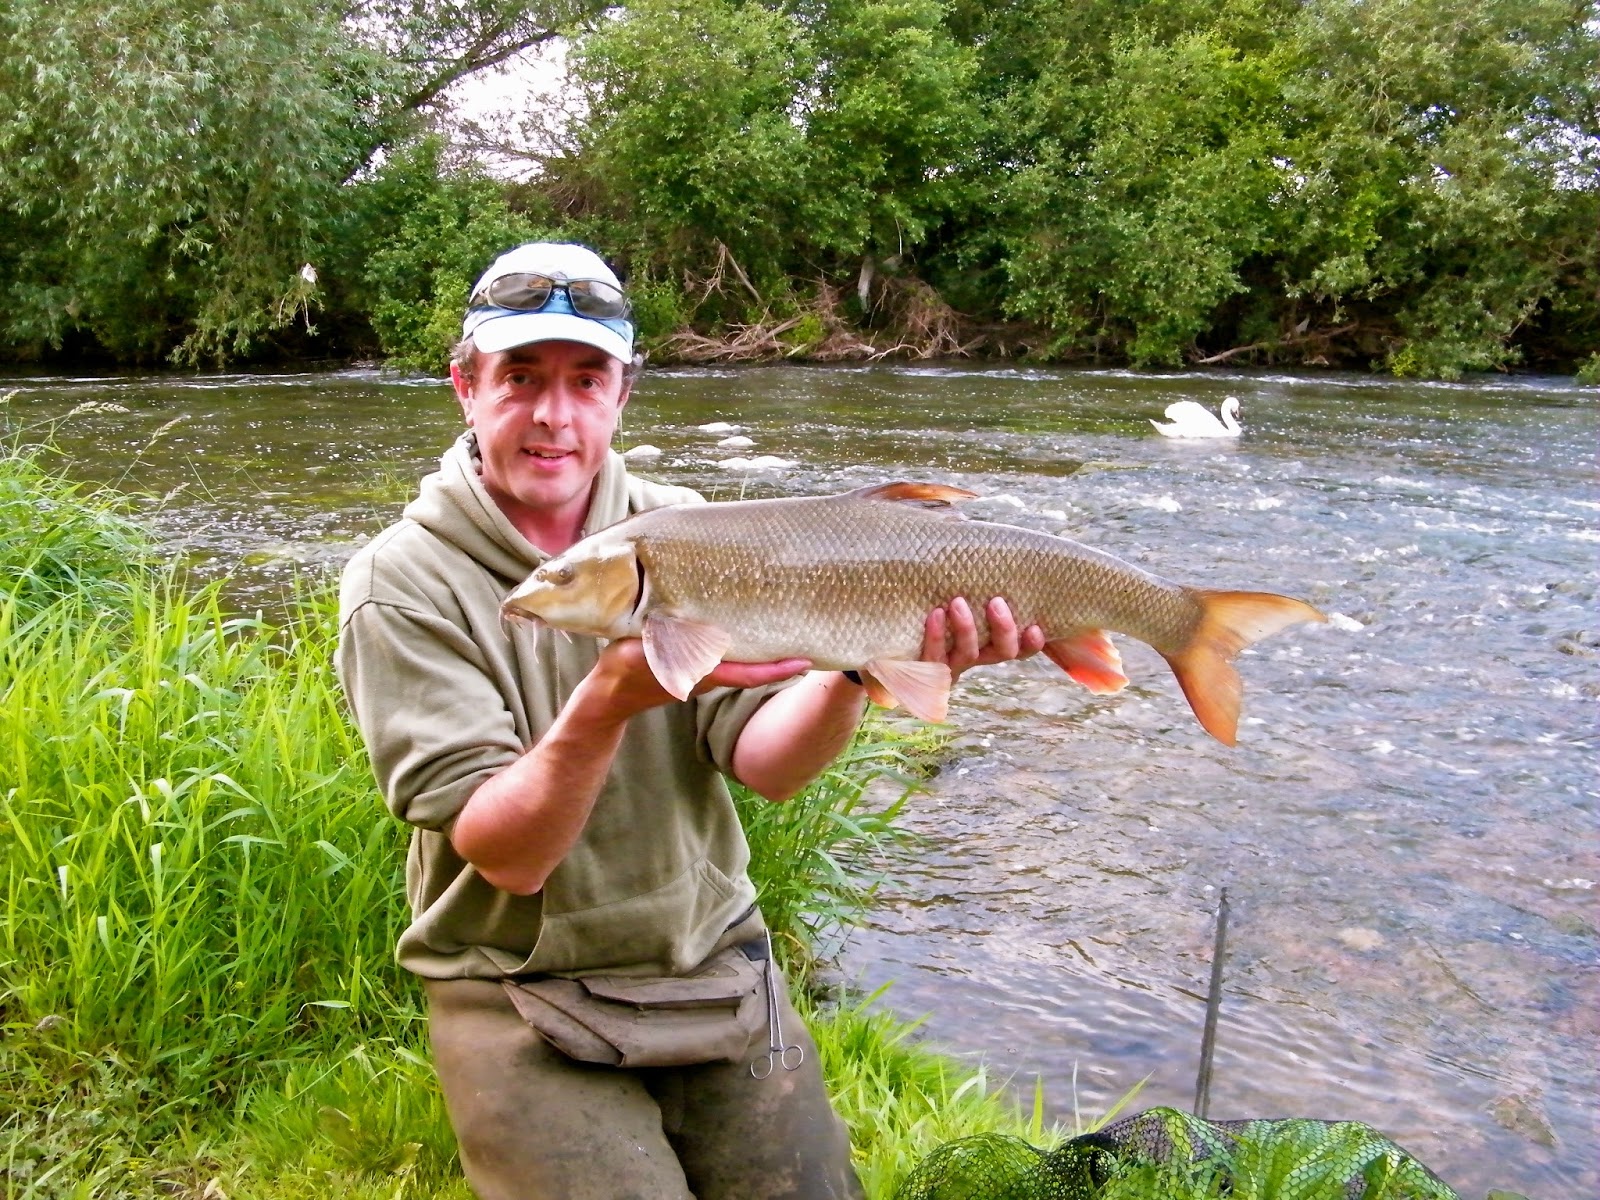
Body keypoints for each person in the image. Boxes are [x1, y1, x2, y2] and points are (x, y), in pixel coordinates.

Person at [334, 241, 1045, 1200]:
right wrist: (612, 699)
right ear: (466, 386)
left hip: (710, 956)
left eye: (587, 380)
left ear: (621, 395)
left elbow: (769, 765)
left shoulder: (689, 524)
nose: (555, 413)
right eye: (521, 378)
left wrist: (863, 669)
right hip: (516, 983)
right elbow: (507, 856)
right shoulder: (400, 583)